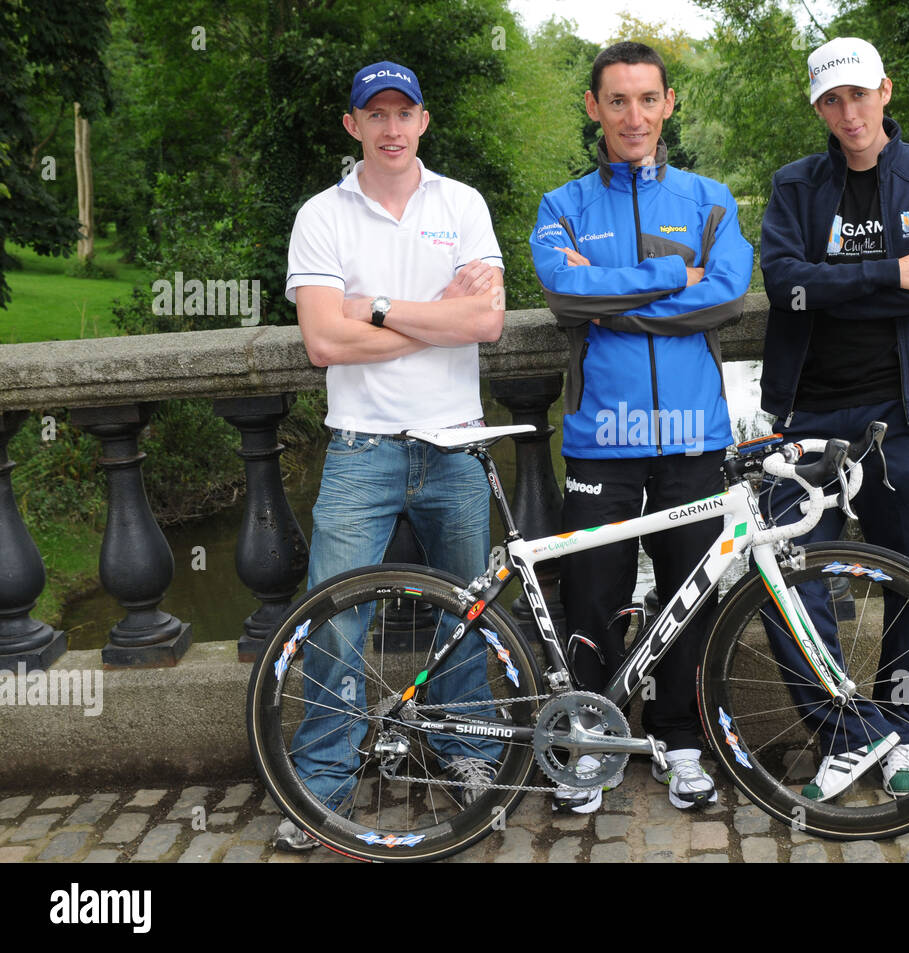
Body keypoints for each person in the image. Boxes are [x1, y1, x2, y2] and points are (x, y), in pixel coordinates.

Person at [276, 60, 507, 850]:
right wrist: (434, 314)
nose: (391, 127)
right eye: (374, 113)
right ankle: (321, 785)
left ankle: (470, 756)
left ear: (424, 120)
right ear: (353, 125)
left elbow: (486, 323)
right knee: (337, 624)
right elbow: (320, 340)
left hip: (457, 445)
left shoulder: (463, 204)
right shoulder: (321, 215)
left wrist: (372, 307)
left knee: (469, 617)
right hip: (361, 448)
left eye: (403, 112)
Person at [530, 42, 753, 814]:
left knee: (690, 598)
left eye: (647, 99)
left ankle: (682, 742)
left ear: (669, 104)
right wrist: (669, 276)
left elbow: (725, 297)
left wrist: (611, 301)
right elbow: (563, 290)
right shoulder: (562, 207)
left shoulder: (710, 199)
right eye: (617, 100)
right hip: (601, 441)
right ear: (594, 107)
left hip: (694, 438)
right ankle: (590, 743)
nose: (634, 115)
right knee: (593, 599)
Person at [758, 37, 909, 801]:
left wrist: (840, 281)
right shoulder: (794, 186)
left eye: (859, 96)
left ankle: (906, 737)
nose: (849, 114)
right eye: (832, 101)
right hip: (807, 409)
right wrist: (887, 271)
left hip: (900, 411)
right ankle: (852, 734)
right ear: (819, 107)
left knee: (907, 577)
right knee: (788, 576)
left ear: (885, 90)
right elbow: (784, 286)